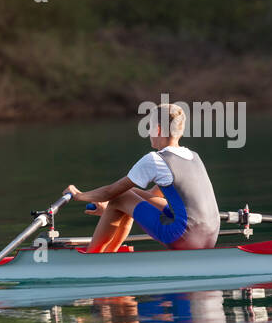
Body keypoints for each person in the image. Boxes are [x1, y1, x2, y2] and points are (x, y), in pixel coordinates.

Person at [64, 103, 220, 252]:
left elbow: (110, 192)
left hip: (183, 236)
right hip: (210, 236)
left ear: (158, 130)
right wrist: (113, 211)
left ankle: (95, 257)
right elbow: (148, 197)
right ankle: (111, 252)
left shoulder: (155, 159)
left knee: (121, 195)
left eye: (149, 127)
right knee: (132, 193)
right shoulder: (193, 156)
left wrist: (79, 195)